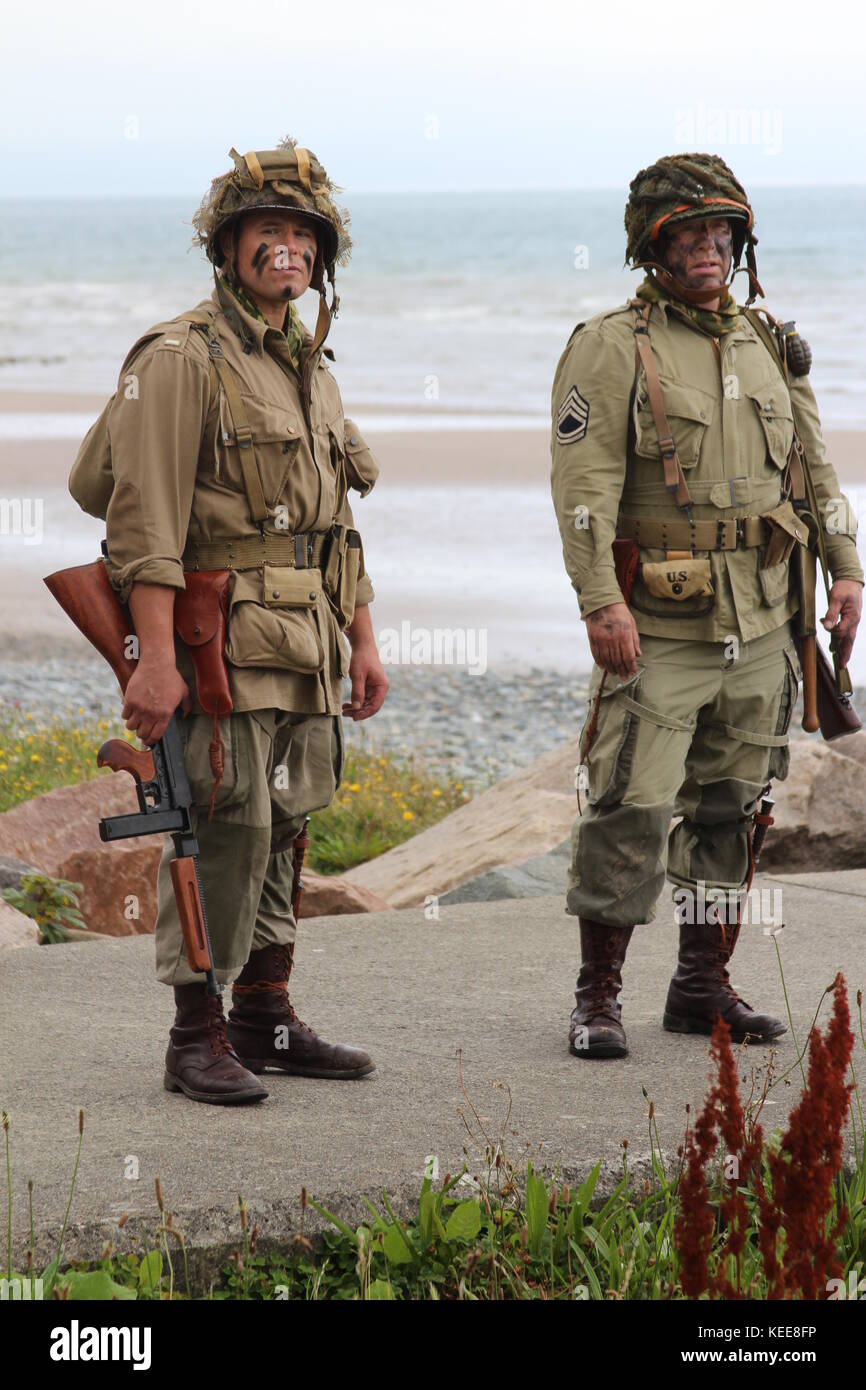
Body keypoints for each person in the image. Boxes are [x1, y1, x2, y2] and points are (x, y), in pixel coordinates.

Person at [91, 138, 388, 1102]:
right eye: (268, 230)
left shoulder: (308, 364)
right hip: (217, 640)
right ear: (228, 248)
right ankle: (194, 1034)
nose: (287, 248)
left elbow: (331, 520)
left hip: (304, 641)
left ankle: (265, 1016)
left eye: (303, 233)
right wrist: (154, 659)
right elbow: (143, 514)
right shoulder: (183, 358)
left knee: (285, 829)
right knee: (220, 825)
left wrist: (366, 638)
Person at [550, 153, 863, 1060]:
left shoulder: (767, 342)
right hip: (660, 624)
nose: (709, 249)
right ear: (654, 247)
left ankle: (701, 987)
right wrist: (599, 603)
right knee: (630, 803)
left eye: (722, 234)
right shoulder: (611, 345)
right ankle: (597, 997)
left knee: (735, 802)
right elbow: (582, 487)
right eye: (689, 235)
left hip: (765, 616)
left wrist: (845, 565)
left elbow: (814, 467)